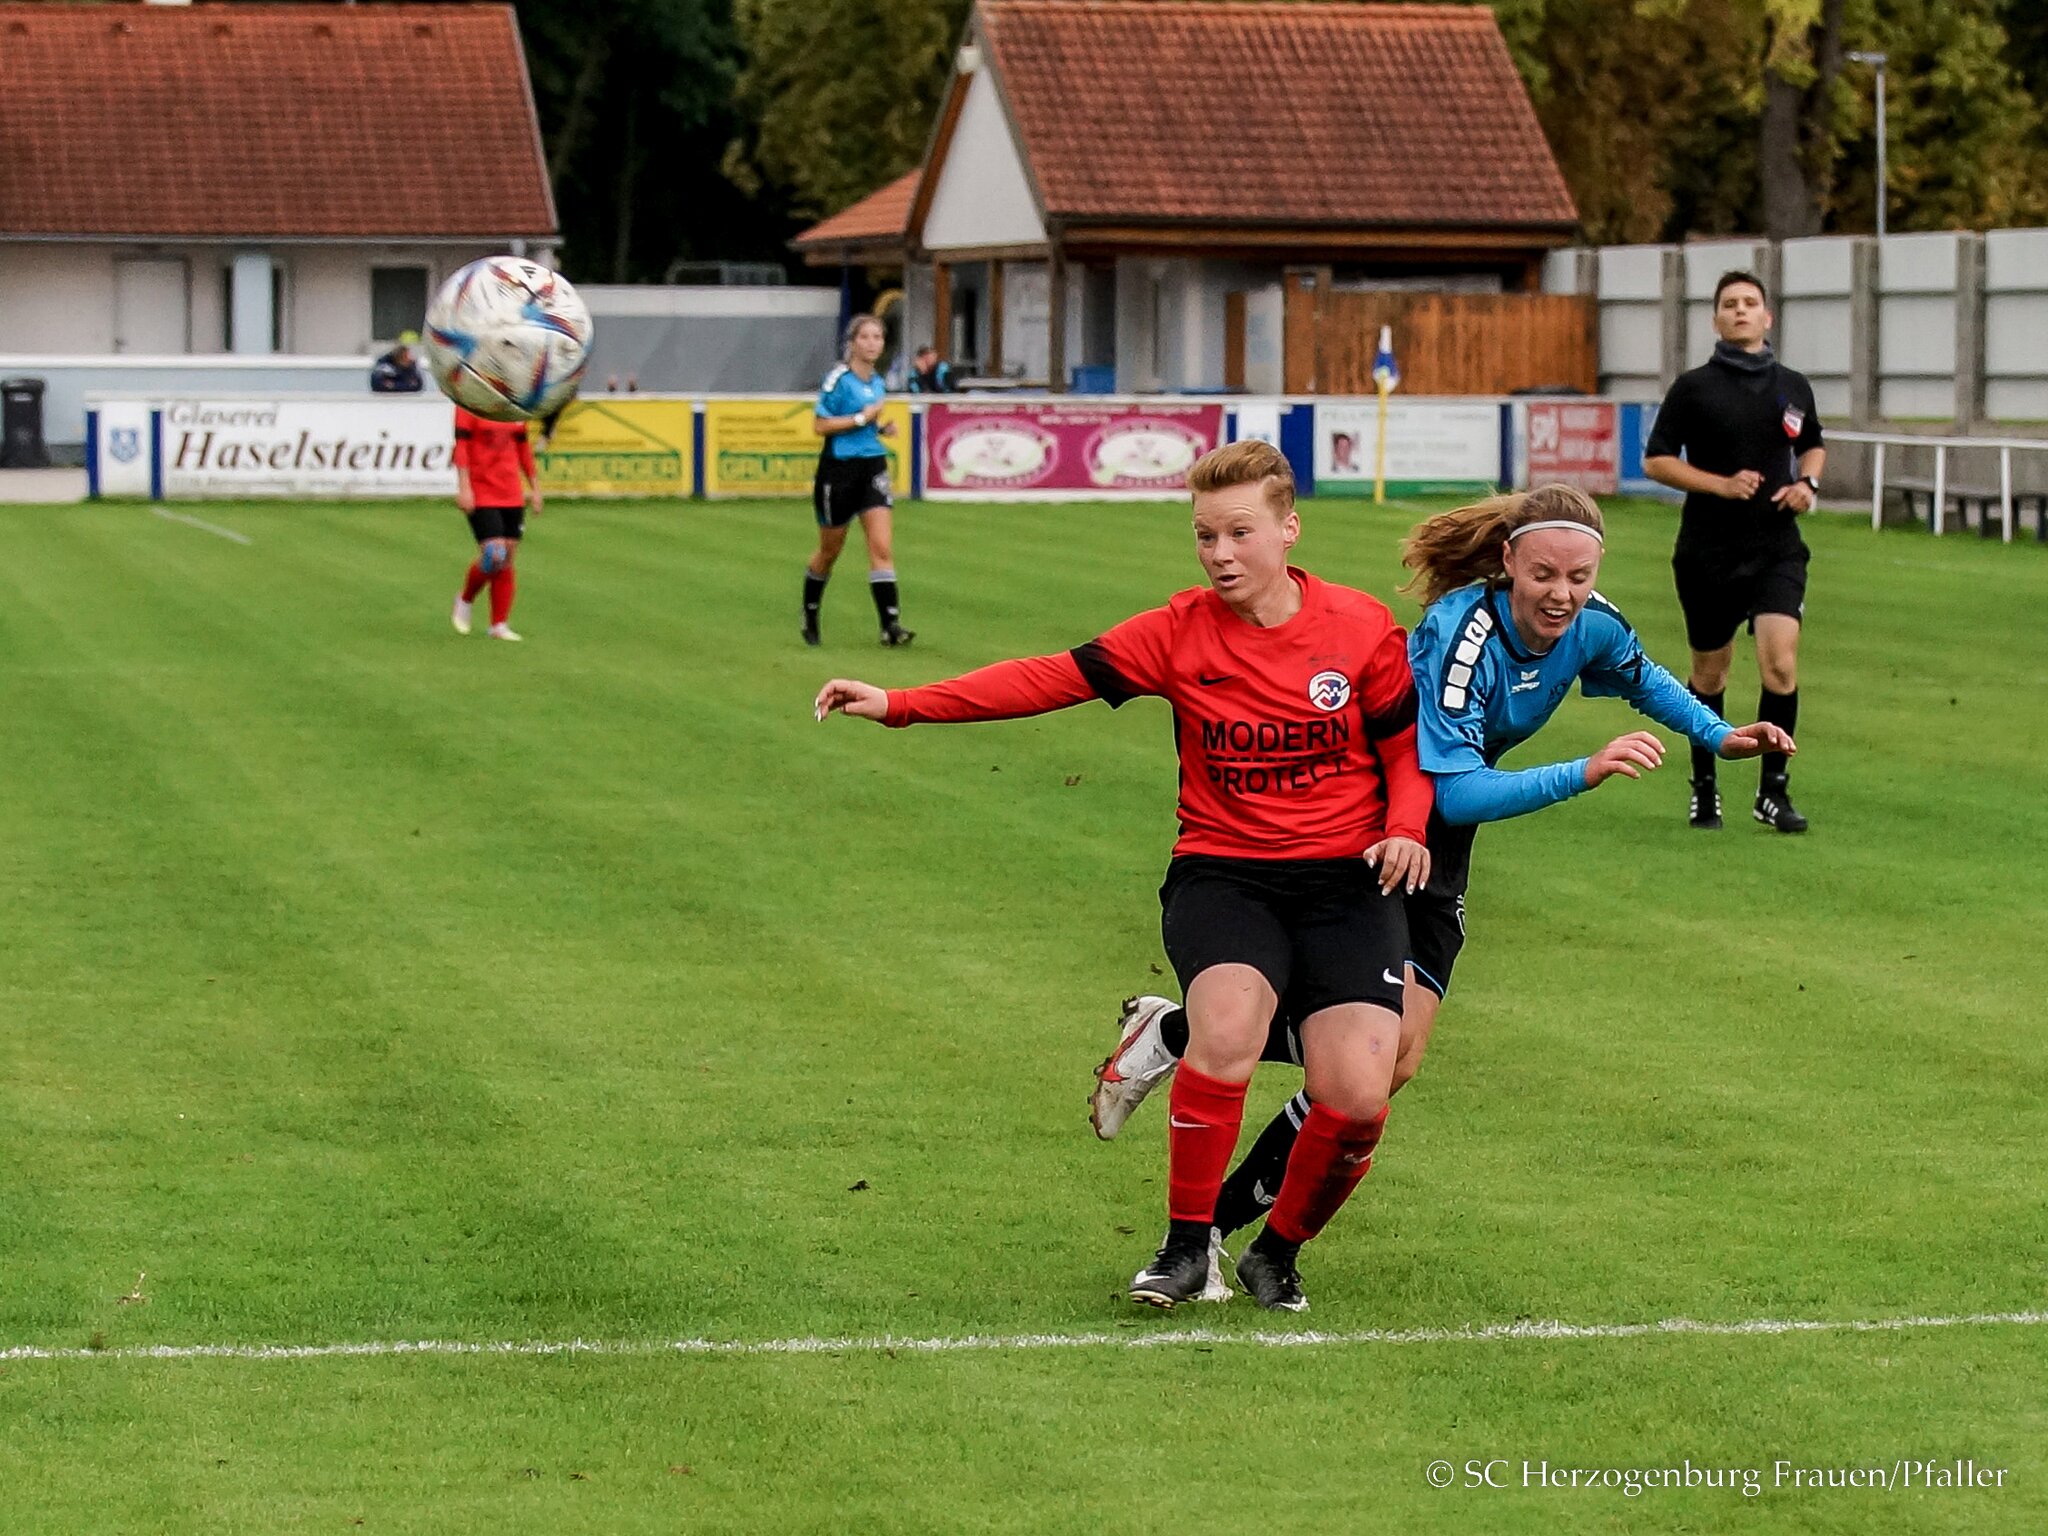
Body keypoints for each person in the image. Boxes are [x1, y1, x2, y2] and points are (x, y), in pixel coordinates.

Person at [1086, 485, 1797, 1291]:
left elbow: (1642, 674)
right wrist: (1582, 772)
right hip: (1389, 821)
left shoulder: (1590, 618)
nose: (1562, 594)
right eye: (1543, 575)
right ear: (1507, 565)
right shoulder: (1463, 635)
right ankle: (1216, 1217)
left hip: (1442, 839)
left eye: (1579, 576)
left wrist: (1718, 734)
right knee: (1353, 1060)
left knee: (1391, 1064)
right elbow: (1450, 790)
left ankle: (1219, 1168)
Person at [816, 441, 1433, 1311]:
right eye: (1205, 536)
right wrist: (901, 704)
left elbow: (1405, 748)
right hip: (1226, 875)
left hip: (1345, 882)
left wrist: (1406, 826)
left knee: (1360, 1095)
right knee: (1227, 1035)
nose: (1220, 554)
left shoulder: (1361, 627)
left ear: (1289, 530)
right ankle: (1186, 1250)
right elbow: (1046, 679)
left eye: (1239, 533)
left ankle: (1277, 1252)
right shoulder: (1177, 632)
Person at [1644, 270, 1825, 834]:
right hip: (1708, 552)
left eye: (1751, 303)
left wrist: (1808, 486)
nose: (1741, 310)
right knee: (1711, 675)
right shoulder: (1694, 387)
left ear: (1768, 317)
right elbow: (1656, 459)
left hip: (1777, 546)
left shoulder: (1793, 384)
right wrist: (1720, 484)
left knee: (1780, 663)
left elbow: (1813, 444)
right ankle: (1706, 788)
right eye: (1730, 304)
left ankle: (1773, 791)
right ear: (1716, 318)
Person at [805, 314, 912, 647]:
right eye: (865, 337)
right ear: (852, 342)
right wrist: (862, 417)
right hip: (838, 471)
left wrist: (879, 429)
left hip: (872, 467)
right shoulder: (839, 379)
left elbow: (865, 423)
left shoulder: (877, 382)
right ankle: (809, 611)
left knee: (881, 547)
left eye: (878, 337)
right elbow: (821, 425)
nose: (872, 343)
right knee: (829, 551)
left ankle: (890, 626)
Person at [450, 405, 542, 641]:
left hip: (511, 492)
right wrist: (464, 487)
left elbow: (523, 448)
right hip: (481, 491)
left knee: (507, 558)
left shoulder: (516, 406)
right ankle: (466, 598)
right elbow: (461, 448)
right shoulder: (470, 404)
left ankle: (498, 625)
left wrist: (535, 487)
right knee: (494, 554)